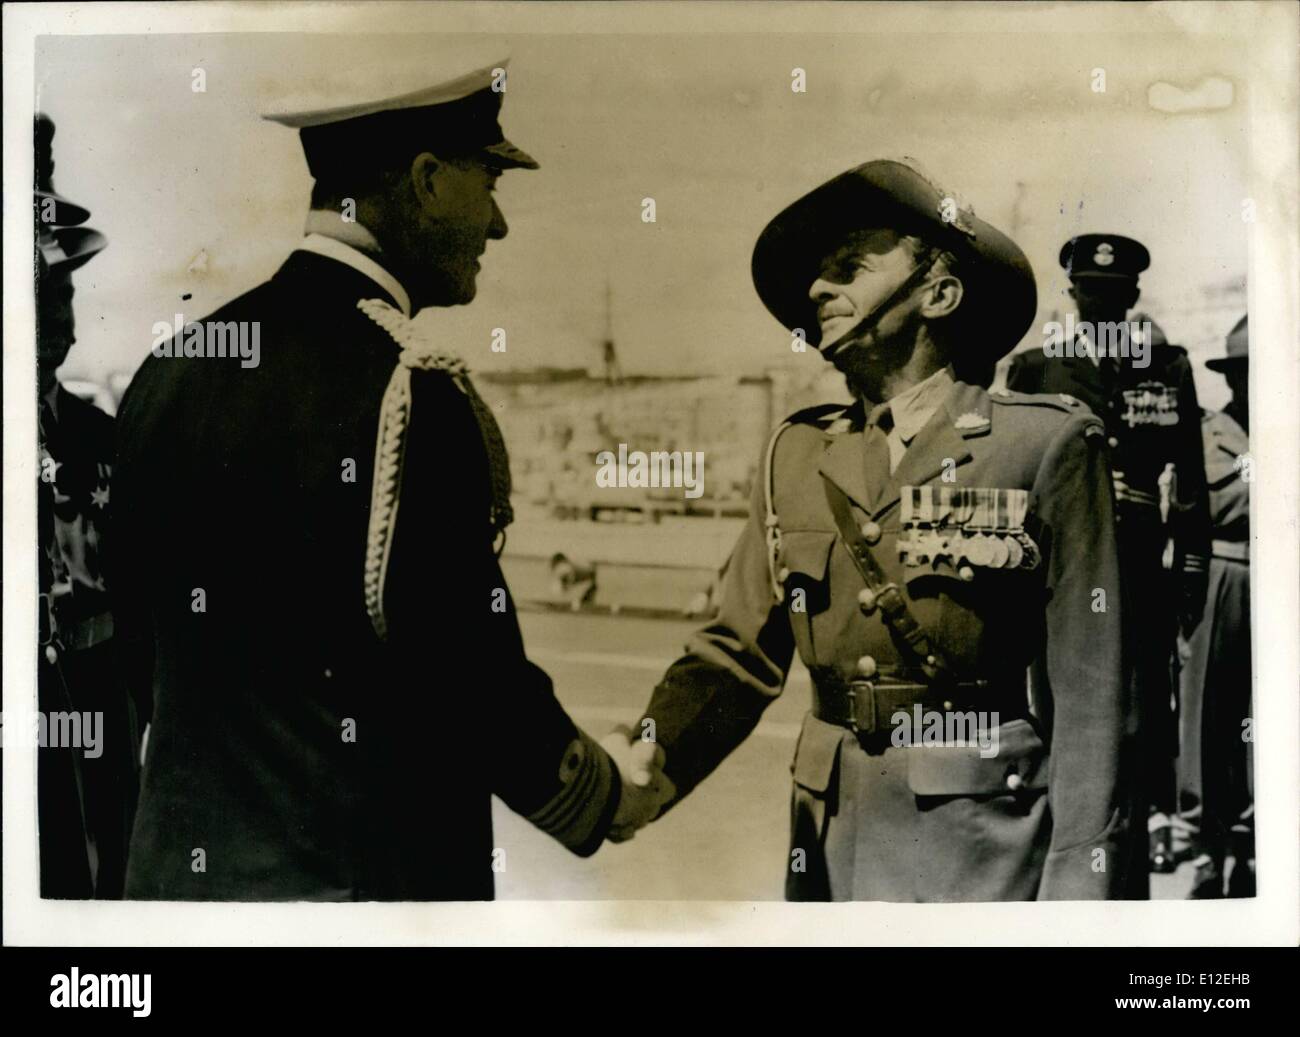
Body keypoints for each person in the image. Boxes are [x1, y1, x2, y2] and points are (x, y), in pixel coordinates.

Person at [113, 54, 669, 901]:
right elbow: (470, 676)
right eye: (490, 186)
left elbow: (145, 653)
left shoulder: (169, 368)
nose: (498, 228)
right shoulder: (410, 392)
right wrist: (602, 795)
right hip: (356, 896)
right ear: (427, 180)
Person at [611, 159, 1129, 900]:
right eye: (820, 276)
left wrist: (1081, 885)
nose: (819, 290)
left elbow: (1090, 696)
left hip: (981, 846)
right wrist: (643, 765)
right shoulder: (797, 453)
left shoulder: (1041, 446)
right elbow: (734, 658)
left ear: (939, 294)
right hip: (827, 839)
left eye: (849, 269)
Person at [1005, 236, 1210, 895]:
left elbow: (1194, 477)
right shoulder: (1038, 369)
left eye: (1115, 297)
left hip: (1141, 569)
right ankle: (1057, 866)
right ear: (1072, 298)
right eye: (1091, 297)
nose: (1103, 308)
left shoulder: (1168, 365)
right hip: (1062, 568)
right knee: (1059, 708)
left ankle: (1128, 879)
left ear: (1133, 298)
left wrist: (1192, 570)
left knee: (1140, 719)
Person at [35, 113, 142, 899]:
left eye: (64, 286)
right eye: (43, 290)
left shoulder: (101, 437)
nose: (62, 313)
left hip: (104, 777)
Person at [1180, 315, 1253, 898]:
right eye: (1248, 371)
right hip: (1228, 571)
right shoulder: (1213, 431)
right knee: (1209, 710)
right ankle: (1208, 839)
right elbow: (1219, 503)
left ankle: (1257, 838)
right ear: (1234, 376)